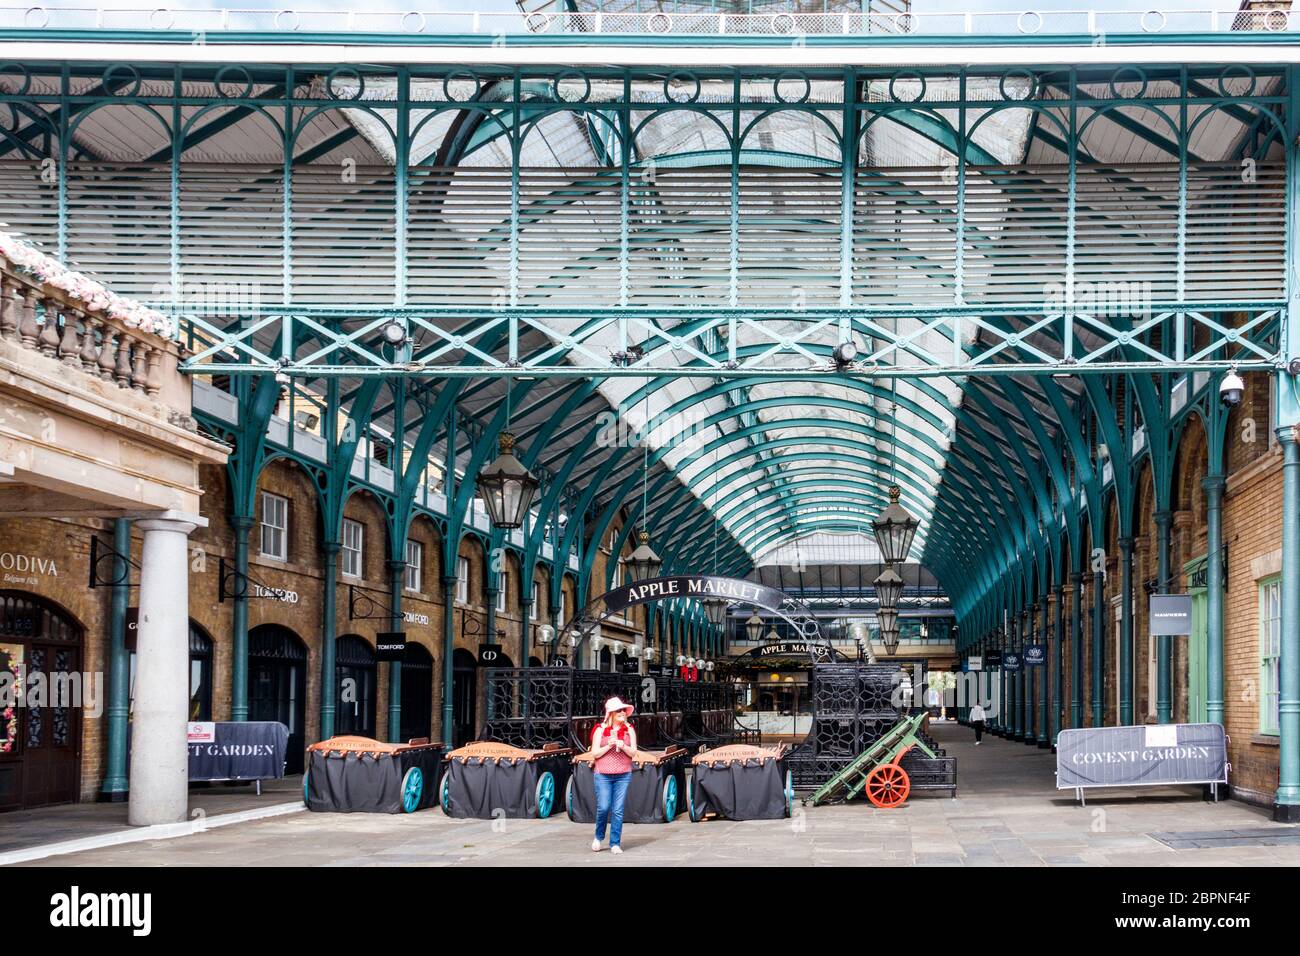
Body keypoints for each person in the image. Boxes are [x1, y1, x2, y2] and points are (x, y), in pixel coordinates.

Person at [590, 696, 637, 855]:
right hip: (602, 774)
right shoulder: (600, 729)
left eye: (624, 710)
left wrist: (622, 745)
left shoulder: (629, 729)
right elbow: (595, 753)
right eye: (619, 710)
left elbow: (633, 753)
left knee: (617, 810)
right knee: (603, 807)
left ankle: (615, 843)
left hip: (623, 775)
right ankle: (598, 836)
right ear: (610, 713)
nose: (622, 712)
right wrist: (609, 745)